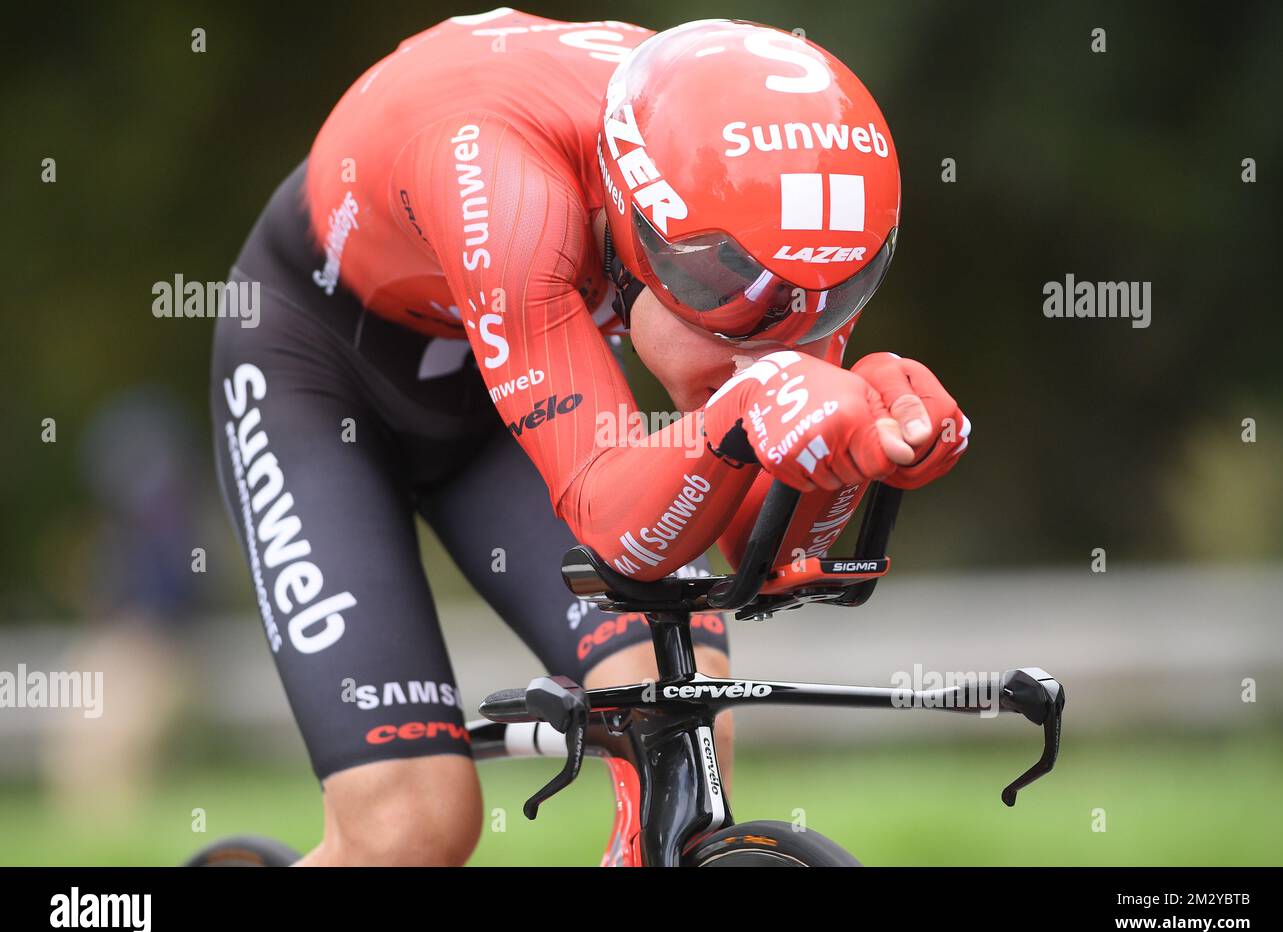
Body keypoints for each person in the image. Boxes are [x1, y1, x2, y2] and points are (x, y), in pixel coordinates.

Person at [209, 10, 969, 866]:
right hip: (318, 370)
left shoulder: (777, 241)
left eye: (822, 308)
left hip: (516, 383)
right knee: (412, 828)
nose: (774, 348)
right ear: (638, 243)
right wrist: (757, 410)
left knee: (679, 699)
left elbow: (755, 543)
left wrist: (855, 453)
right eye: (741, 309)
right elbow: (618, 524)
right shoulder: (508, 183)